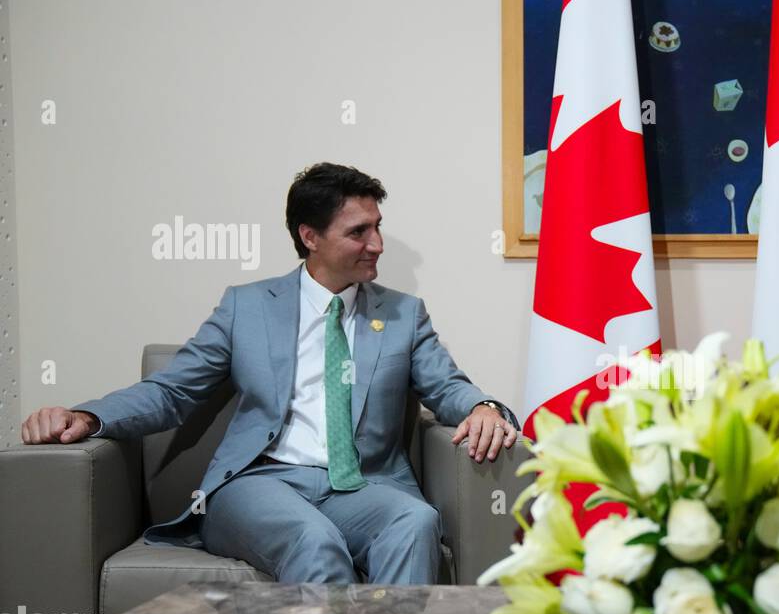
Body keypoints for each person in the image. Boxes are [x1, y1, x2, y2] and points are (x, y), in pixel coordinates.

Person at [21, 163, 518, 586]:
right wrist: (88, 417)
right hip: (261, 482)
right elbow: (172, 391)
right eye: (358, 232)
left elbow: (445, 384)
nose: (377, 244)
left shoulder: (403, 314)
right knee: (314, 539)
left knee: (415, 521)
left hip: (362, 486)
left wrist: (483, 407)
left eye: (378, 227)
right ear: (310, 236)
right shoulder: (248, 308)